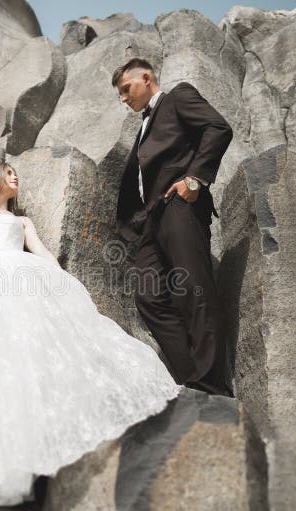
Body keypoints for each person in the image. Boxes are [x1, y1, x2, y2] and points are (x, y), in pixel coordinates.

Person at [0, 162, 184, 507]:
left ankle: (37, 461)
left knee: (27, 362)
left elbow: (44, 256)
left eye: (16, 174)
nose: (16, 178)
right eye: (9, 173)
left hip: (21, 286)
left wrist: (68, 288)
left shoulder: (21, 222)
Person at [112, 57, 234, 397]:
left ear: (146, 77)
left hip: (181, 207)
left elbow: (218, 128)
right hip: (153, 220)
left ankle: (211, 384)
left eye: (126, 89)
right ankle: (194, 378)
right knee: (149, 298)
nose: (124, 99)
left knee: (194, 290)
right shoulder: (143, 127)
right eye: (120, 94)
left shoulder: (177, 96)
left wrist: (194, 180)